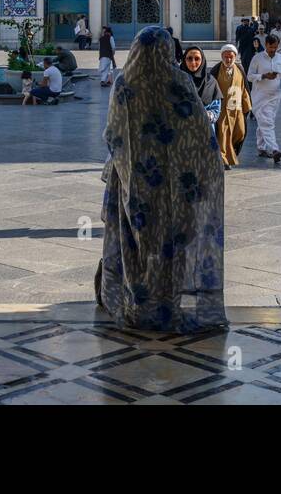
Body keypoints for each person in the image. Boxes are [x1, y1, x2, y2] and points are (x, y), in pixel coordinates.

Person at [95, 25, 226, 332]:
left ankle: (137, 302)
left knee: (137, 244)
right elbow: (199, 133)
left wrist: (127, 166)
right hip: (175, 186)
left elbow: (113, 135)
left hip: (134, 184)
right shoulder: (179, 81)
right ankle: (169, 303)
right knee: (172, 245)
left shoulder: (124, 83)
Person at [247, 33, 281, 163]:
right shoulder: (257, 58)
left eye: (275, 47)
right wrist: (263, 76)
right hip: (259, 96)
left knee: (265, 122)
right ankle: (274, 149)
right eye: (270, 47)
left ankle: (261, 148)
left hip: (275, 97)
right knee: (267, 122)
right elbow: (249, 76)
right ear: (266, 45)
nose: (272, 49)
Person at [210, 44, 250, 168]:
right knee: (223, 134)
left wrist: (247, 105)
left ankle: (230, 152)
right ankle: (223, 159)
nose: (228, 60)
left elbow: (244, 88)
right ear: (222, 56)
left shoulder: (239, 69)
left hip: (236, 108)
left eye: (230, 57)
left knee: (240, 132)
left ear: (235, 56)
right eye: (225, 57)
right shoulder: (216, 70)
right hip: (221, 109)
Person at [180, 46, 221, 127]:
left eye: (197, 59)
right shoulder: (177, 80)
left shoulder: (210, 82)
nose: (193, 62)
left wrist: (207, 114)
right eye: (189, 58)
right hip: (182, 129)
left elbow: (216, 110)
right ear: (184, 60)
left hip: (205, 129)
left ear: (202, 60)